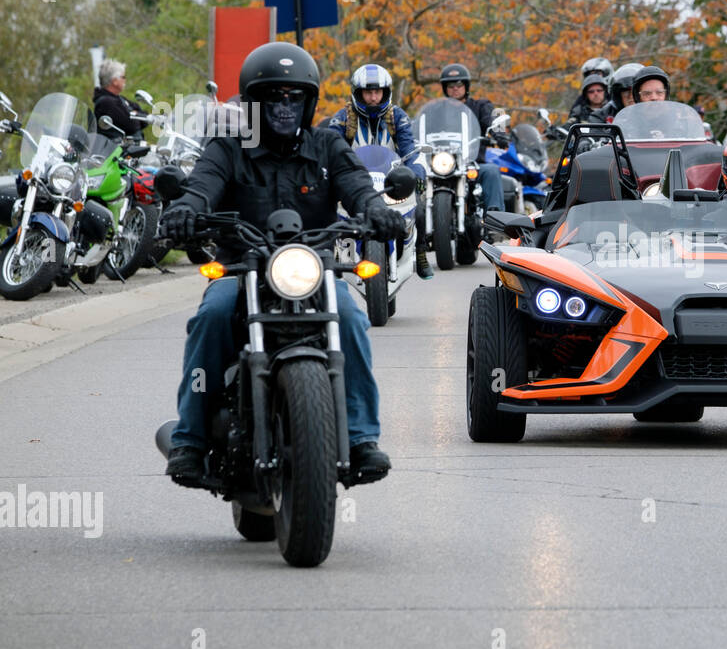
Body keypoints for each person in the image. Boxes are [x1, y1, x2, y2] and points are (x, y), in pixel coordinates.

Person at [159, 42, 407, 488]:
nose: (285, 107)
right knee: (212, 316)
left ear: (309, 102)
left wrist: (377, 208)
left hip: (311, 267)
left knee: (351, 318)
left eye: (295, 97)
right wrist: (185, 209)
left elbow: (356, 186)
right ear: (255, 102)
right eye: (274, 96)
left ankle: (361, 437)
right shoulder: (230, 146)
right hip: (241, 266)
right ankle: (190, 439)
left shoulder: (327, 144)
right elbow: (202, 185)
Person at [324, 63, 433, 279]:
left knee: (418, 204)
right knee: (325, 209)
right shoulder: (343, 117)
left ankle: (420, 253)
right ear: (358, 93)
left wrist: (416, 174)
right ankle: (327, 258)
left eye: (377, 92)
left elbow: (409, 149)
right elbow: (331, 147)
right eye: (368, 92)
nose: (373, 98)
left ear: (385, 92)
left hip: (391, 180)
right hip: (354, 182)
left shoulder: (397, 116)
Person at [438, 62, 504, 212]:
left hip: (473, 164)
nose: (455, 88)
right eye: (450, 85)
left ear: (466, 86)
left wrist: (498, 134)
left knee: (492, 171)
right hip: (443, 166)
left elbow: (492, 120)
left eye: (459, 84)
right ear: (445, 88)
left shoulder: (480, 106)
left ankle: (495, 223)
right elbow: (421, 126)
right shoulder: (437, 110)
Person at [92, 59, 146, 139]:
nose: (125, 80)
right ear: (114, 81)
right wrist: (134, 114)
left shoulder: (120, 98)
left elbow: (145, 118)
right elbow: (132, 125)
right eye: (123, 77)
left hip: (131, 148)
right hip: (117, 149)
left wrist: (134, 114)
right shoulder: (106, 102)